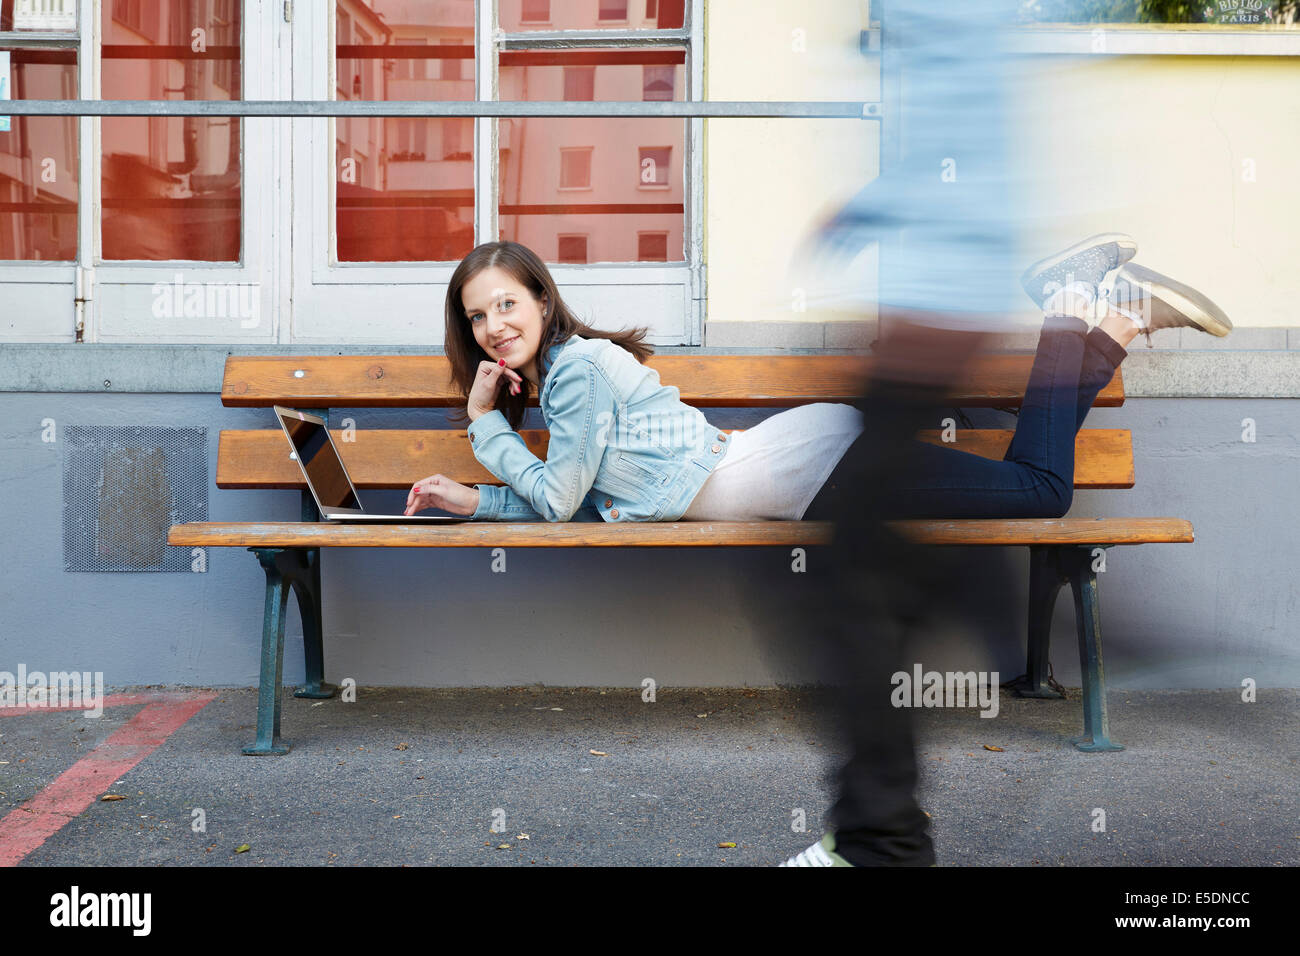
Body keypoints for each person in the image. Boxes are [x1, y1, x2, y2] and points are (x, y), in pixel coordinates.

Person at [403, 237, 1230, 526]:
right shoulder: (567, 378)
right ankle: (1119, 323)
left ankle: (1065, 302)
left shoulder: (575, 375)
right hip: (809, 463)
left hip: (814, 471)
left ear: (543, 300)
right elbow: (575, 496)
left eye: (506, 303)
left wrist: (486, 429)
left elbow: (555, 502)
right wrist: (475, 499)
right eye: (476, 317)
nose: (493, 327)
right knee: (1034, 482)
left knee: (1043, 491)